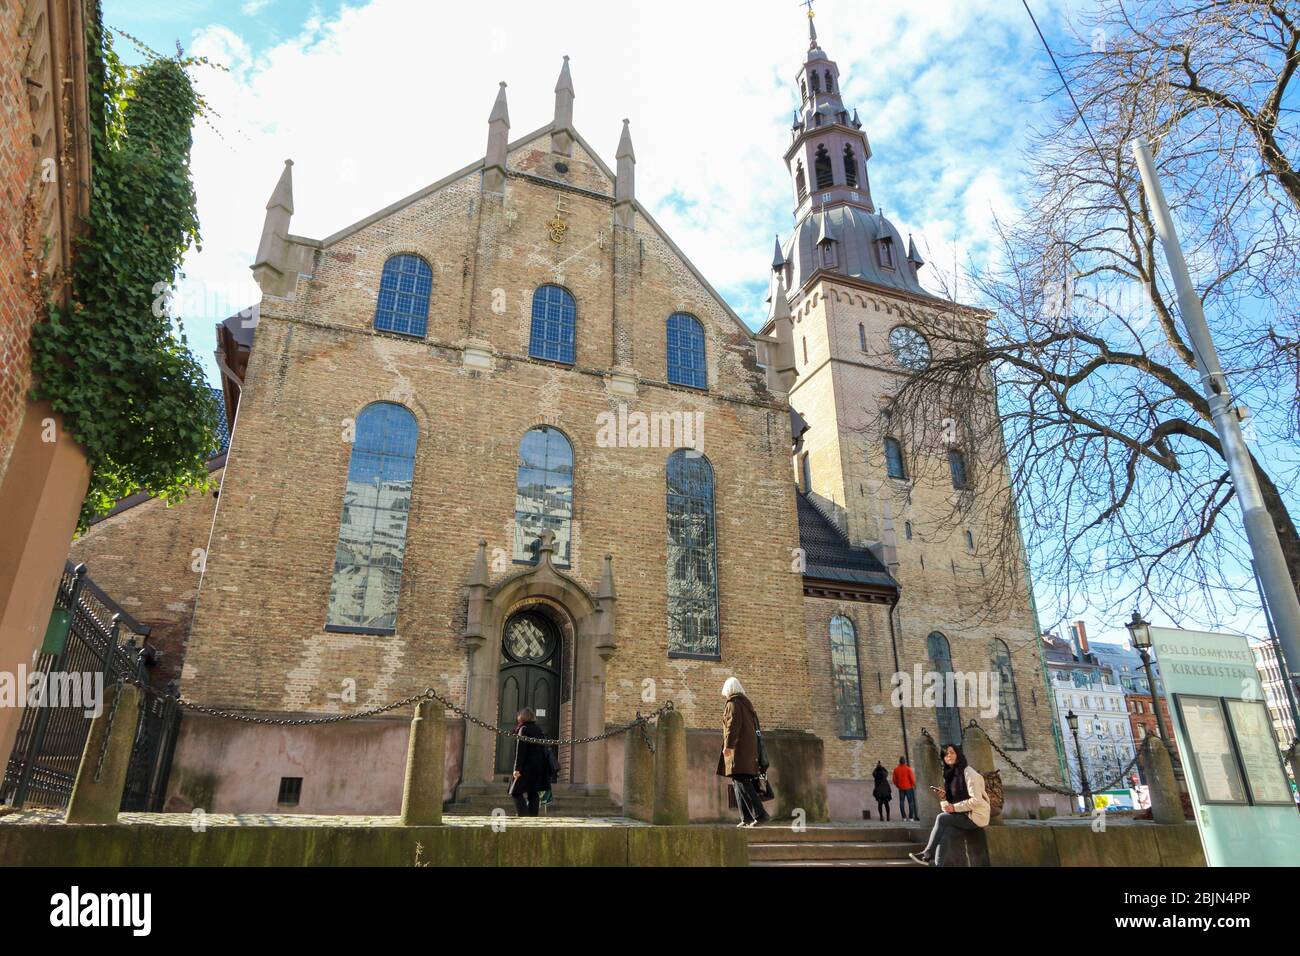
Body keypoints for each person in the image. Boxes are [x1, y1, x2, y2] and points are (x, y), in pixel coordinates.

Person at [908, 743, 989, 866]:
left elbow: (976, 800)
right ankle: (936, 864)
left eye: (951, 752)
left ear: (958, 754)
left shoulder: (969, 773)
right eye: (945, 754)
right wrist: (944, 799)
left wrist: (953, 807)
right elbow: (949, 808)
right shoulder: (950, 775)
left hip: (976, 816)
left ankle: (927, 853)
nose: (948, 756)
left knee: (941, 818)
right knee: (946, 833)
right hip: (963, 815)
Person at [715, 676, 770, 827]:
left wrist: (728, 746)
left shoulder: (733, 704)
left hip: (738, 752)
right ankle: (746, 818)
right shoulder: (747, 706)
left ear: (728, 690)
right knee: (737, 781)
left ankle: (761, 814)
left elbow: (733, 726)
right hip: (749, 752)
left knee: (742, 781)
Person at [509, 707, 549, 817]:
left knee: (515, 792)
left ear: (521, 717)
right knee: (533, 792)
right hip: (538, 767)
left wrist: (517, 769)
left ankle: (524, 815)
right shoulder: (538, 729)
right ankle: (533, 817)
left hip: (525, 767)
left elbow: (520, 751)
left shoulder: (523, 729)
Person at [893, 756, 919, 821]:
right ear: (905, 761)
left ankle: (904, 817)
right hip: (909, 787)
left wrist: (898, 785)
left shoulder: (896, 769)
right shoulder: (908, 769)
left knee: (901, 802)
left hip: (901, 788)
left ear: (899, 761)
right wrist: (914, 785)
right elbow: (912, 779)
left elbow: (894, 780)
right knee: (910, 802)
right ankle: (911, 817)